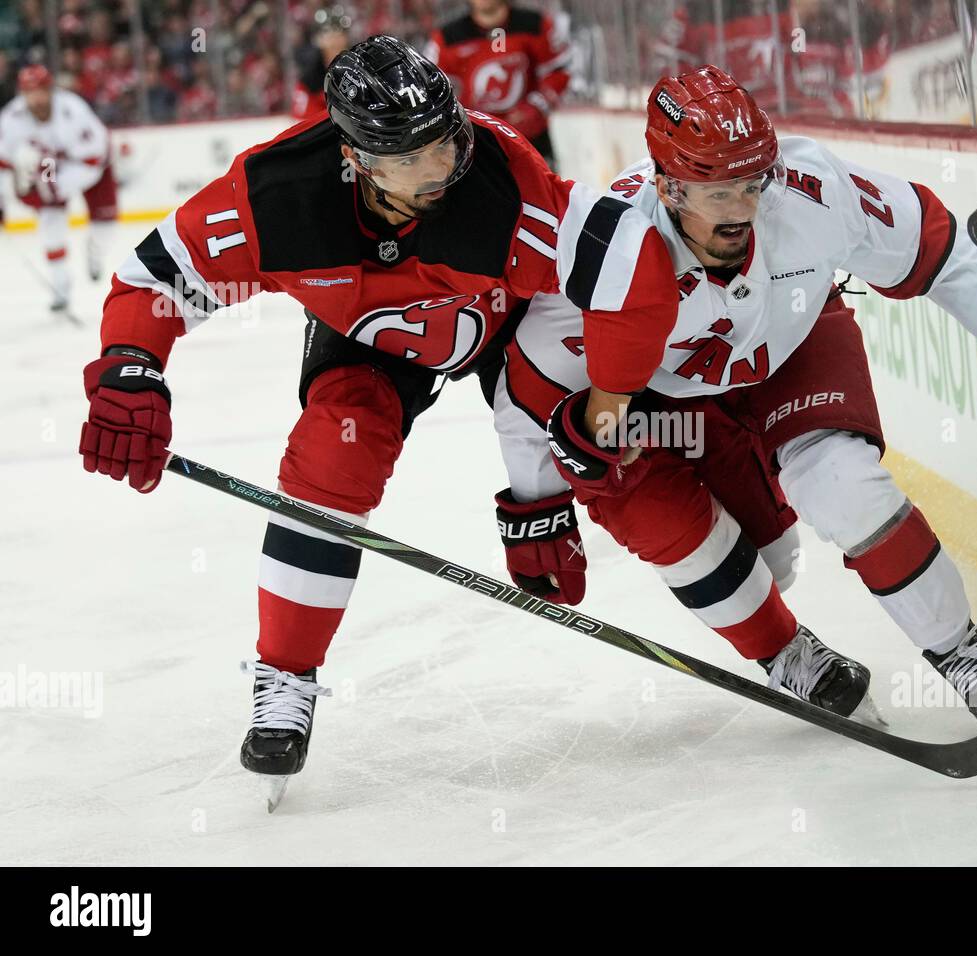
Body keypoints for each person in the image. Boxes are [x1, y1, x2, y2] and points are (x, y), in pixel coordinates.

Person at [78, 36, 677, 784]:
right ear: (355, 158)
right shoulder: (277, 196)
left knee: (628, 473)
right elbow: (151, 282)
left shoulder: (505, 185)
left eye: (447, 141)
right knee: (332, 457)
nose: (444, 167)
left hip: (510, 321)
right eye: (413, 157)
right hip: (372, 341)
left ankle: (772, 629)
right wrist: (132, 369)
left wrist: (575, 450)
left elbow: (638, 273)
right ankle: (286, 678)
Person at [491, 65, 977, 724]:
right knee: (727, 547)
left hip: (794, 343)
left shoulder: (810, 191)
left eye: (753, 183)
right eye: (717, 193)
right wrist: (537, 506)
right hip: (665, 405)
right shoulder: (610, 250)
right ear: (667, 188)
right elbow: (528, 384)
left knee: (840, 482)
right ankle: (788, 655)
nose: (743, 209)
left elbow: (936, 244)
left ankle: (962, 654)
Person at [0, 64, 117, 313]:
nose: (36, 98)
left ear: (50, 90)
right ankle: (61, 286)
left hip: (92, 167)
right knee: (51, 225)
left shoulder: (73, 111)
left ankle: (95, 252)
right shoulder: (11, 119)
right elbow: (3, 163)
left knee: (105, 227)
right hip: (50, 170)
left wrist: (57, 187)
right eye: (29, 92)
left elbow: (93, 160)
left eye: (40, 91)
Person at [428, 0, 570, 166]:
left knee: (541, 191)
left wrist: (535, 107)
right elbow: (433, 89)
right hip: (476, 143)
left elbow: (558, 71)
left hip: (531, 139)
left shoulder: (535, 25)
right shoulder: (447, 37)